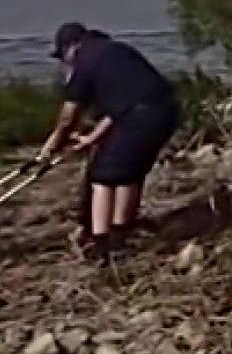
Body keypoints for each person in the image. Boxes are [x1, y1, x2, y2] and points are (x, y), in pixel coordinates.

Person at [29, 22, 180, 262]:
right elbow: (117, 108)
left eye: (62, 57)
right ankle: (120, 232)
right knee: (130, 172)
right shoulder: (115, 51)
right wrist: (91, 138)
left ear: (70, 48)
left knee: (102, 176)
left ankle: (100, 245)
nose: (64, 63)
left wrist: (51, 146)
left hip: (140, 116)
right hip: (165, 113)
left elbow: (68, 118)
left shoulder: (84, 62)